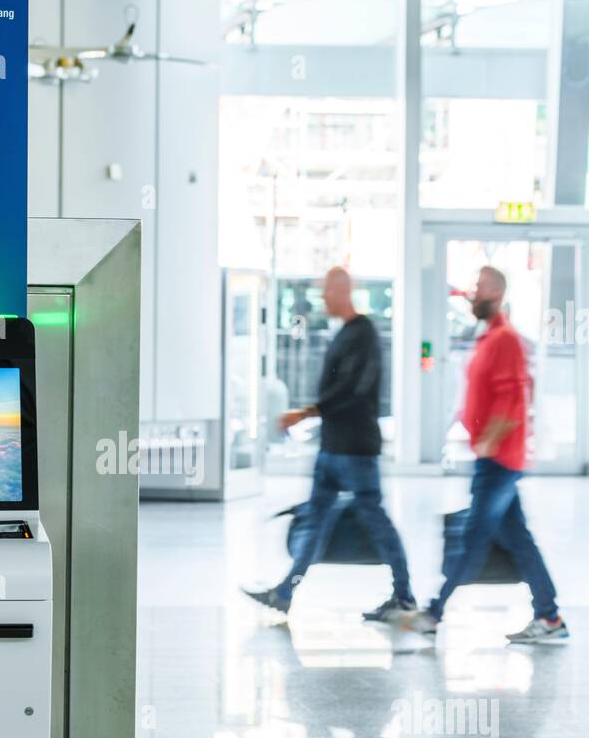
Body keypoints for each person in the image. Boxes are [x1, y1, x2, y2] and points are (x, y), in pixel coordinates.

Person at [390, 265, 568, 644]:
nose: (474, 294)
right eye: (474, 288)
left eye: (481, 288)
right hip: (494, 458)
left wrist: (490, 437)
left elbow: (514, 397)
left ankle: (435, 613)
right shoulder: (488, 337)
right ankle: (550, 617)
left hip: (500, 460)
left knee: (473, 538)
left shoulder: (504, 339)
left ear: (498, 294)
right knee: (519, 539)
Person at [243, 266, 415, 620]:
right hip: (333, 448)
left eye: (327, 292)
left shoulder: (363, 333)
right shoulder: (343, 333)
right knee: (315, 520)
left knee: (374, 519)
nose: (322, 298)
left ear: (342, 291)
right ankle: (286, 591)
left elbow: (354, 389)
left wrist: (307, 412)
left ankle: (404, 594)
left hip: (355, 450)